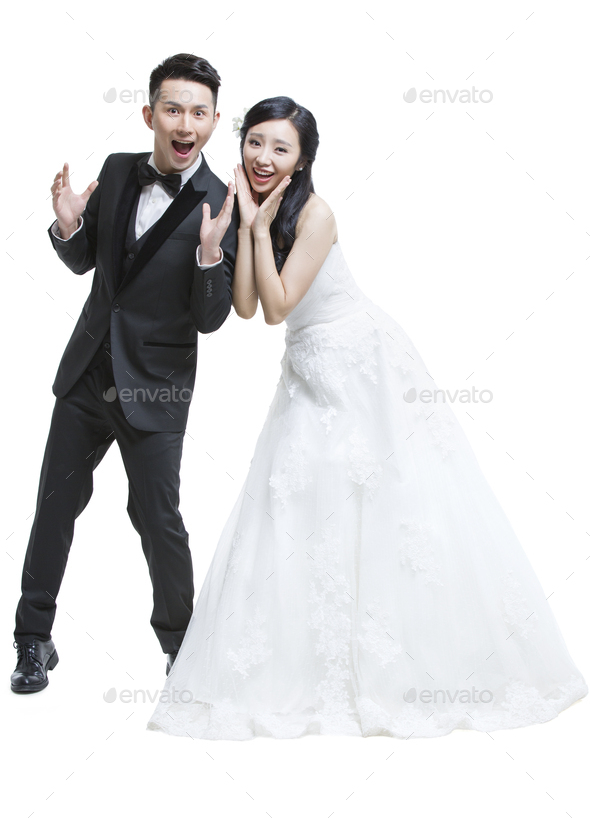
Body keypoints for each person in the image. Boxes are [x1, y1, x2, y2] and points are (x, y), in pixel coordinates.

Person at [147, 96, 587, 739]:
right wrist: (243, 227)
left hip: (359, 363)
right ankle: (306, 664)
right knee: (296, 499)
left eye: (281, 149)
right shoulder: (250, 209)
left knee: (393, 503)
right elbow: (242, 307)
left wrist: (260, 229)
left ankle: (407, 662)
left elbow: (277, 305)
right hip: (307, 368)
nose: (263, 157)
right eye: (256, 143)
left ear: (301, 163)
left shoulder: (316, 214)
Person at [11, 54, 239, 694]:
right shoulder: (115, 171)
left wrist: (210, 252)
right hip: (87, 375)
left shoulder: (223, 202)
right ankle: (33, 640)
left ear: (215, 122)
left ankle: (181, 649)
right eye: (173, 108)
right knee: (52, 509)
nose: (185, 122)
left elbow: (213, 316)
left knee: (157, 516)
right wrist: (67, 223)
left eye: (199, 112)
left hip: (157, 387)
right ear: (150, 115)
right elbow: (88, 264)